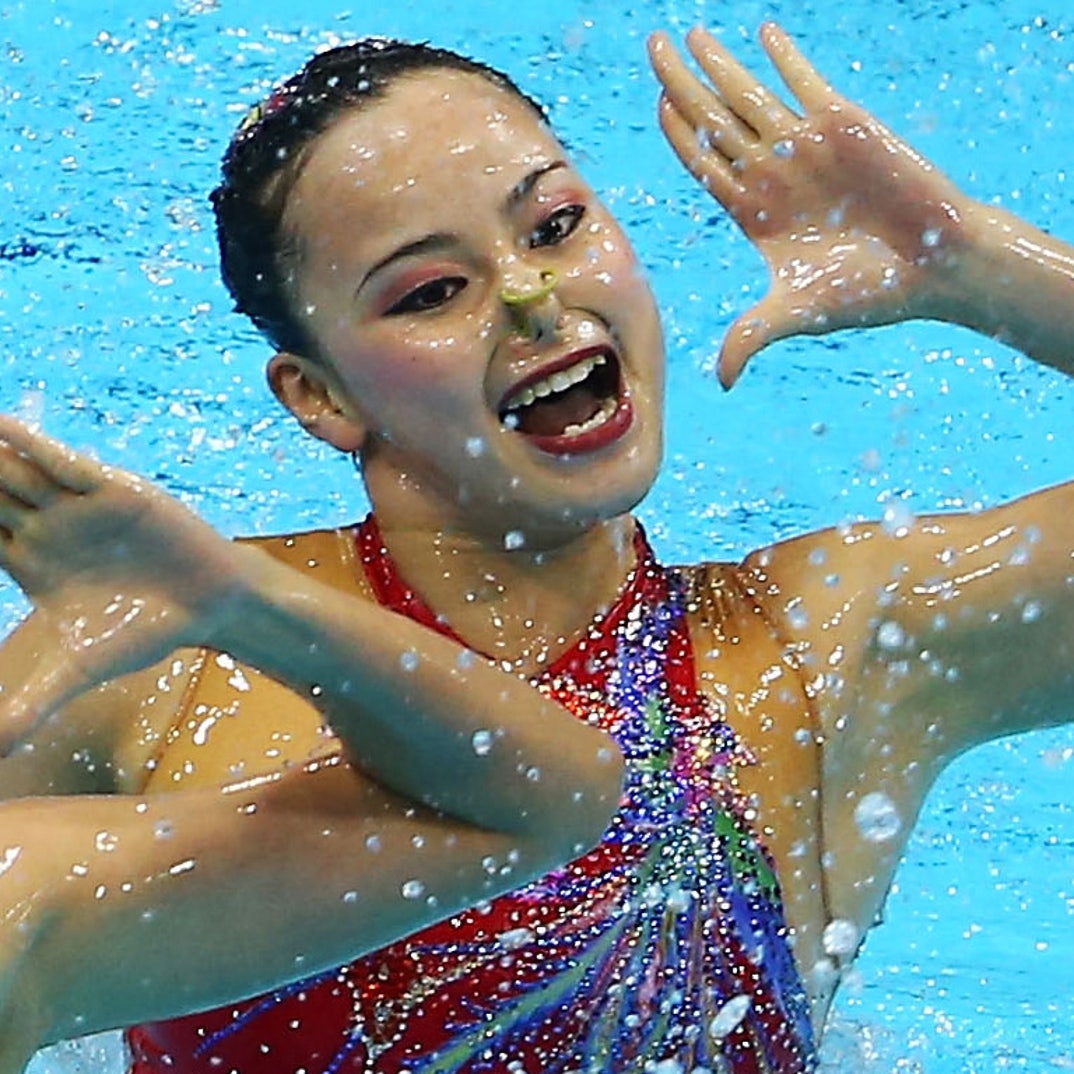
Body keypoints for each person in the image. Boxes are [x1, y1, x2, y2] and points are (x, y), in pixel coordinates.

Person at [1, 18, 1072, 1074]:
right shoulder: (166, 653)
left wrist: (975, 265)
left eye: (555, 225)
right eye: (431, 291)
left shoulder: (829, 655)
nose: (530, 295)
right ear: (319, 397)